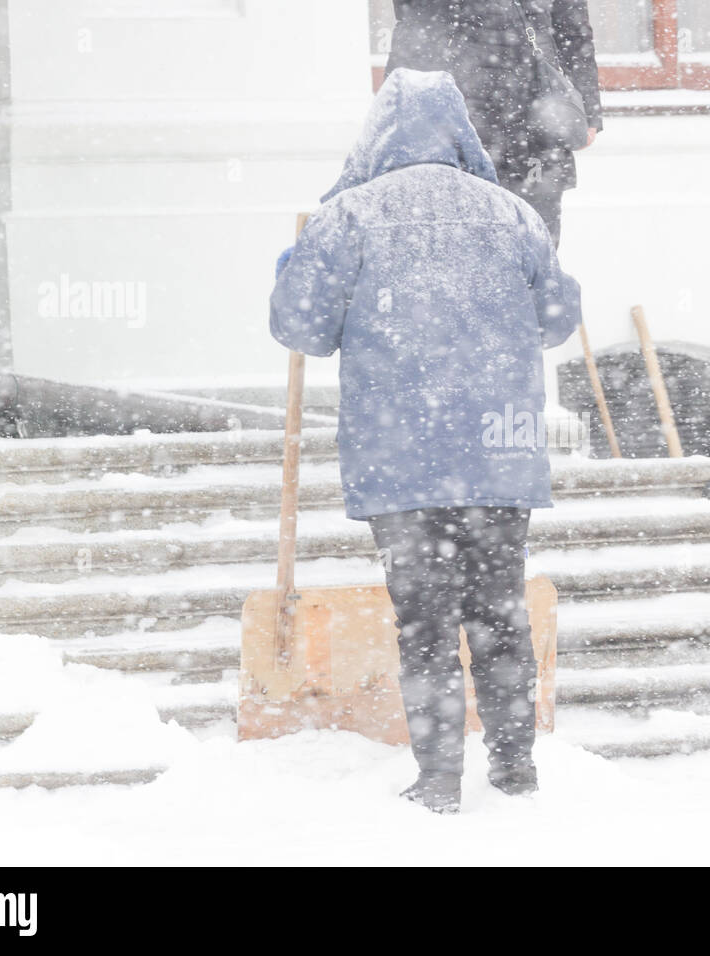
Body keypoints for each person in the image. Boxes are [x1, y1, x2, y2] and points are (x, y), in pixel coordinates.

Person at [269, 69, 583, 814]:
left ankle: (439, 779)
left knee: (425, 622)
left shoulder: (349, 217)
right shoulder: (513, 216)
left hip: (401, 458)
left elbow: (301, 329)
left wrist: (292, 271)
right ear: (460, 131)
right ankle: (515, 771)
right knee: (501, 614)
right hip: (496, 452)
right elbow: (556, 322)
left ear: (377, 135)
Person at [385, 0, 602, 247]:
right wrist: (400, 109)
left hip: (536, 112)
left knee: (535, 237)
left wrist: (588, 112)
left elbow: (574, 34)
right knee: (464, 240)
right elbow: (414, 27)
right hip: (462, 113)